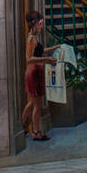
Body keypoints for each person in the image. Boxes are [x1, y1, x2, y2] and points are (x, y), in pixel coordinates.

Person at [21, 12, 58, 141]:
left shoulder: (35, 38)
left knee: (32, 103)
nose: (42, 27)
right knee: (36, 105)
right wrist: (47, 59)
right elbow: (29, 59)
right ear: (34, 24)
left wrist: (54, 48)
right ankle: (36, 133)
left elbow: (40, 52)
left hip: (37, 72)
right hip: (33, 73)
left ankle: (23, 127)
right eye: (40, 24)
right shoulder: (31, 39)